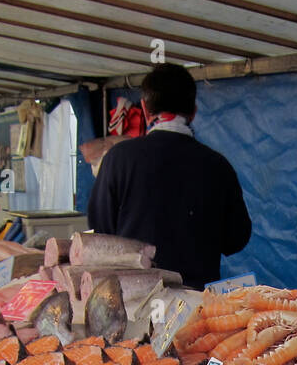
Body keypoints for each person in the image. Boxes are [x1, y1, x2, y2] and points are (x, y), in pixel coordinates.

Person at [88, 63, 251, 290]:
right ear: (193, 112)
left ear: (144, 108)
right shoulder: (218, 165)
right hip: (195, 309)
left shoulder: (118, 159)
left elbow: (100, 233)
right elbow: (236, 239)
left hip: (132, 303)